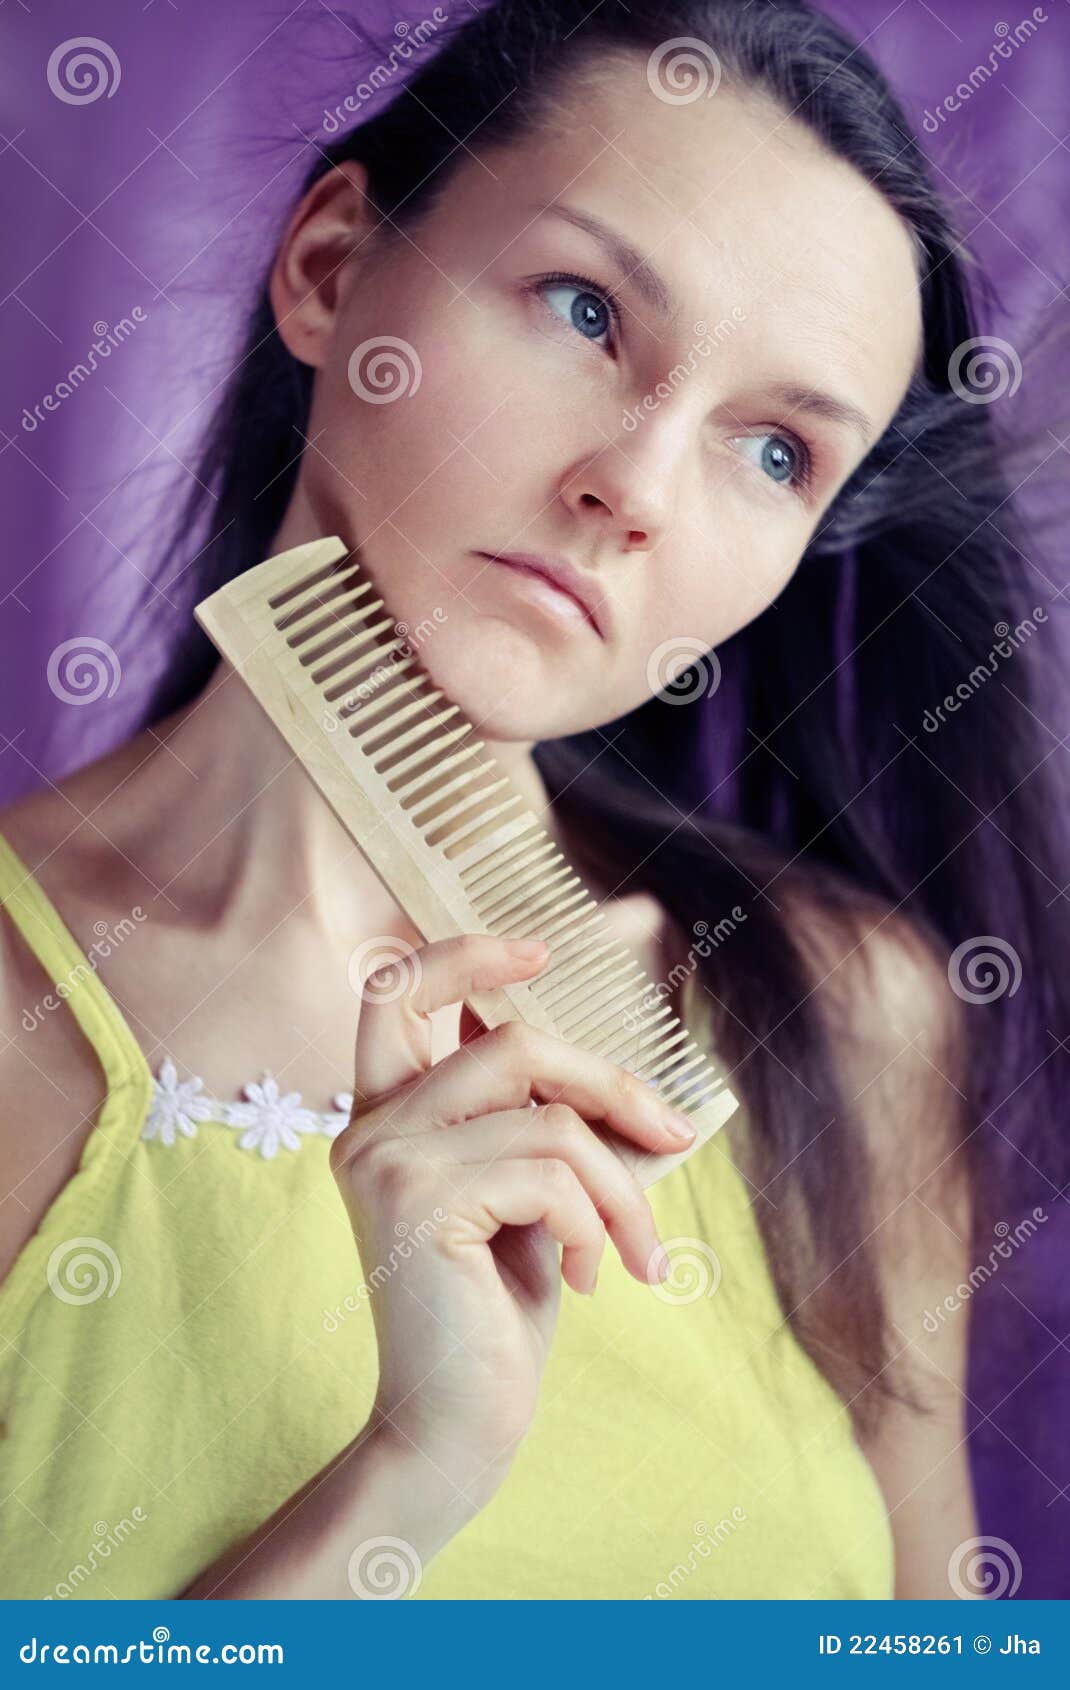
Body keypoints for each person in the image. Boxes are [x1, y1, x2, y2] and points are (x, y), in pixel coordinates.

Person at [1, 0, 1066, 1601]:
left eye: (775, 451)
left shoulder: (850, 1021)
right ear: (330, 268)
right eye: (584, 311)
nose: (632, 490)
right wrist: (408, 1471)